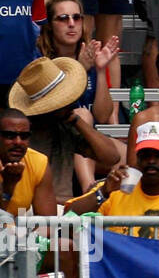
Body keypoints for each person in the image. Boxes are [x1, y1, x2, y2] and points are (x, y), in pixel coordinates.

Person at [8, 56, 119, 203]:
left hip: (63, 209)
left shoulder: (66, 126)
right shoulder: (18, 133)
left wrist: (76, 120)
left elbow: (111, 157)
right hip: (25, 209)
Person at [36, 0, 116, 127]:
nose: (71, 24)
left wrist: (101, 70)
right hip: (51, 133)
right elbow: (53, 109)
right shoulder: (40, 60)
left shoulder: (91, 56)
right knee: (82, 116)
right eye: (63, 18)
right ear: (49, 25)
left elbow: (102, 117)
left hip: (88, 137)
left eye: (77, 18)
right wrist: (79, 69)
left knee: (121, 148)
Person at [0, 106, 54, 217]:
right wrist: (7, 189)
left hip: (19, 231)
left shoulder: (38, 162)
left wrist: (24, 234)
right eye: (10, 135)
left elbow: (48, 223)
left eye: (24, 136)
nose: (18, 142)